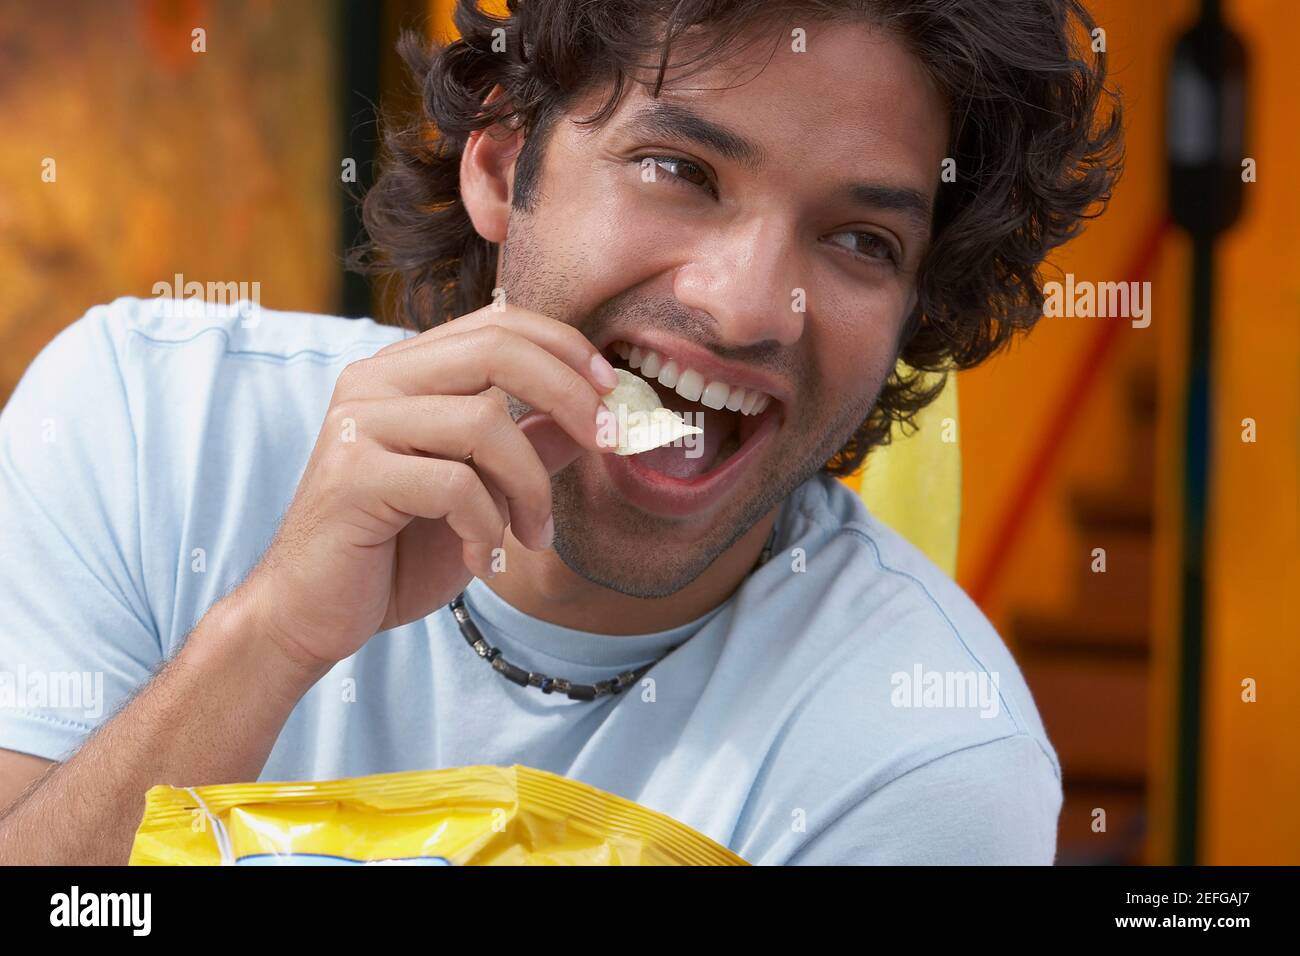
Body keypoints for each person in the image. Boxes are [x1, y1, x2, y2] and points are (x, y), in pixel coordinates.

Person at [0, 0, 1122, 864]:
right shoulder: (149, 421)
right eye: (679, 169)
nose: (742, 305)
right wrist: (269, 635)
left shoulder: (918, 748)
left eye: (860, 240)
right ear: (499, 164)